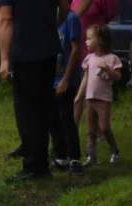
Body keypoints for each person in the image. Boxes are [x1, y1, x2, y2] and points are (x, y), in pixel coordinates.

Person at [0, 0, 58, 180]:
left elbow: (5, 20)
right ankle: (41, 160)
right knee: (43, 107)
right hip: (49, 49)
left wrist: (4, 59)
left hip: (24, 51)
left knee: (27, 111)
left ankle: (34, 166)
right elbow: (63, 8)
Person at [76, 22, 123, 165]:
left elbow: (118, 77)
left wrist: (108, 69)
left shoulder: (112, 59)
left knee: (104, 127)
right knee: (91, 129)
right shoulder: (89, 59)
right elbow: (86, 77)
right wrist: (79, 95)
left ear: (100, 40)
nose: (86, 41)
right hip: (90, 98)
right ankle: (91, 156)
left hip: (104, 100)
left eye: (89, 38)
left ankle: (114, 151)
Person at [51, 0, 83, 171]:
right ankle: (59, 155)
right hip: (50, 79)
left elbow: (75, 50)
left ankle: (74, 157)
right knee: (52, 119)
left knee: (66, 118)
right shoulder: (49, 18)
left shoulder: (71, 19)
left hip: (65, 79)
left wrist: (65, 79)